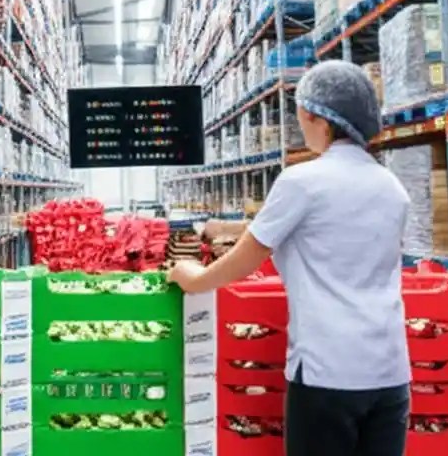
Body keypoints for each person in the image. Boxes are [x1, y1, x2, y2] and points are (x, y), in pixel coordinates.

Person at [170, 60, 411, 456]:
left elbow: (247, 259)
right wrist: (228, 229)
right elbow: (327, 230)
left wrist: (192, 277)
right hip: (389, 373)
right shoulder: (391, 186)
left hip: (327, 372)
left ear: (316, 116)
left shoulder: (302, 181)